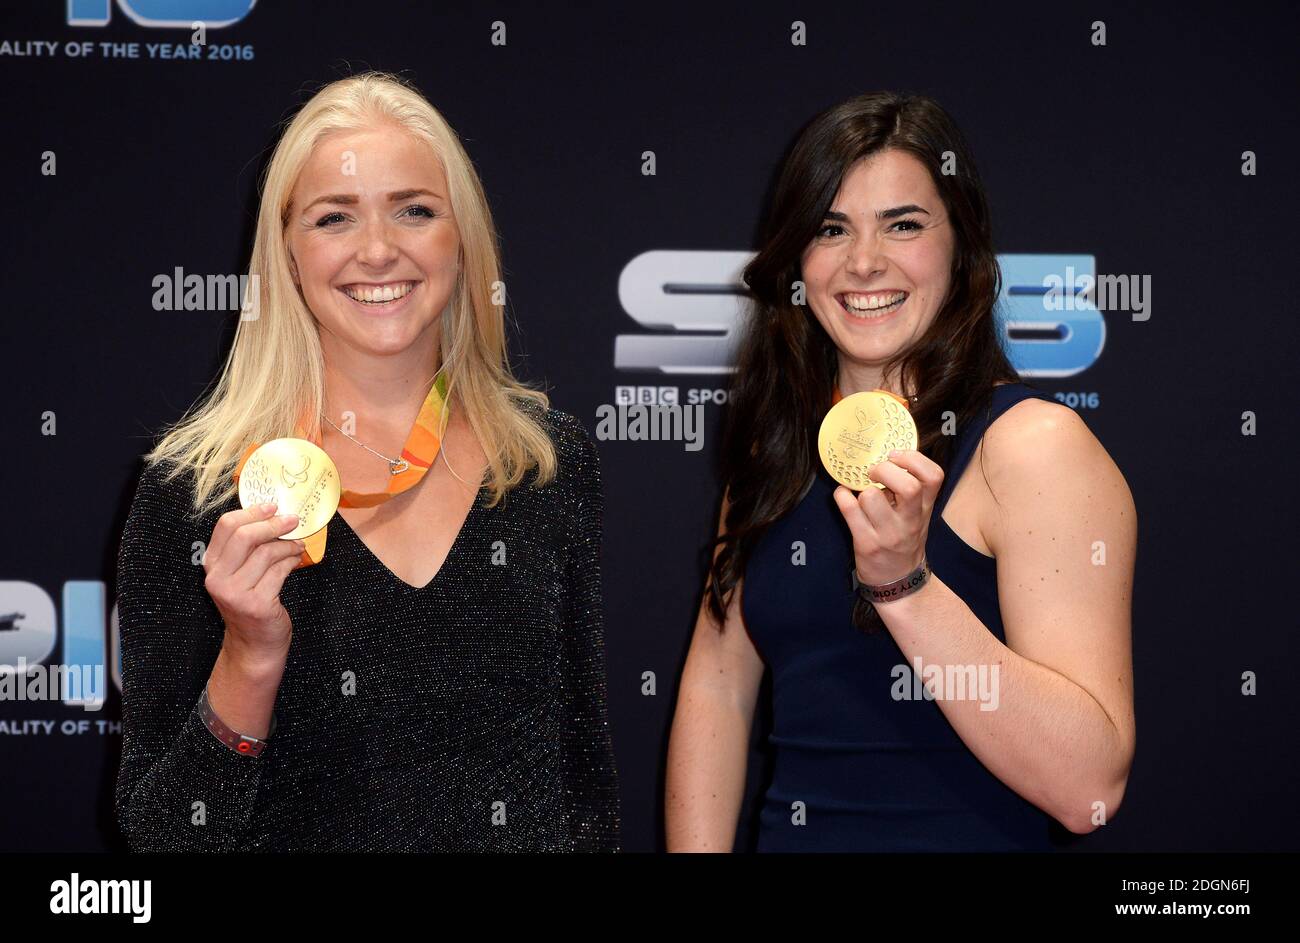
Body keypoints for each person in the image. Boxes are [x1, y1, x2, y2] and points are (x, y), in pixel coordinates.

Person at [114, 71, 619, 852]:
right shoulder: (196, 488)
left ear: (463, 237)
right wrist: (250, 655)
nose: (378, 250)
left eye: (414, 210)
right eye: (334, 218)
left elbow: (585, 789)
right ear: (286, 248)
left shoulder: (546, 462)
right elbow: (167, 838)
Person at [665, 92, 1136, 852]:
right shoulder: (774, 457)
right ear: (797, 257)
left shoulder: (1034, 447)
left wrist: (903, 585)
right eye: (831, 229)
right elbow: (717, 687)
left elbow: (1088, 789)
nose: (864, 262)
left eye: (904, 225)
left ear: (962, 244)